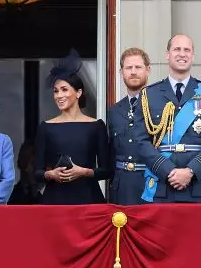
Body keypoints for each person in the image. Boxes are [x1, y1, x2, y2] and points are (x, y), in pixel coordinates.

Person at [134, 34, 201, 203]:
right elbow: (141, 141)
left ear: (192, 55)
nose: (182, 54)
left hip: (199, 186)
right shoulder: (149, 95)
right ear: (167, 54)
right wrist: (169, 171)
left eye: (186, 50)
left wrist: (190, 171)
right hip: (162, 185)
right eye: (177, 49)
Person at [34, 50, 112, 205]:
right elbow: (37, 172)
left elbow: (107, 170)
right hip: (55, 201)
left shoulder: (96, 126)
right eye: (56, 91)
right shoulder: (46, 127)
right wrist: (51, 174)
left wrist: (83, 172)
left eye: (64, 89)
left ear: (78, 93)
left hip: (88, 199)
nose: (58, 95)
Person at [107, 47, 151, 205]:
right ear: (121, 72)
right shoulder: (114, 111)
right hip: (122, 188)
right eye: (128, 68)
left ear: (148, 70)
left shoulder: (160, 106)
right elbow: (111, 153)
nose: (133, 72)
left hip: (151, 185)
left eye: (138, 67)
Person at [8, 141, 43, 205]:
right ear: (18, 163)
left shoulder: (48, 194)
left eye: (33, 163)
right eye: (25, 160)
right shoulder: (9, 195)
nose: (28, 168)